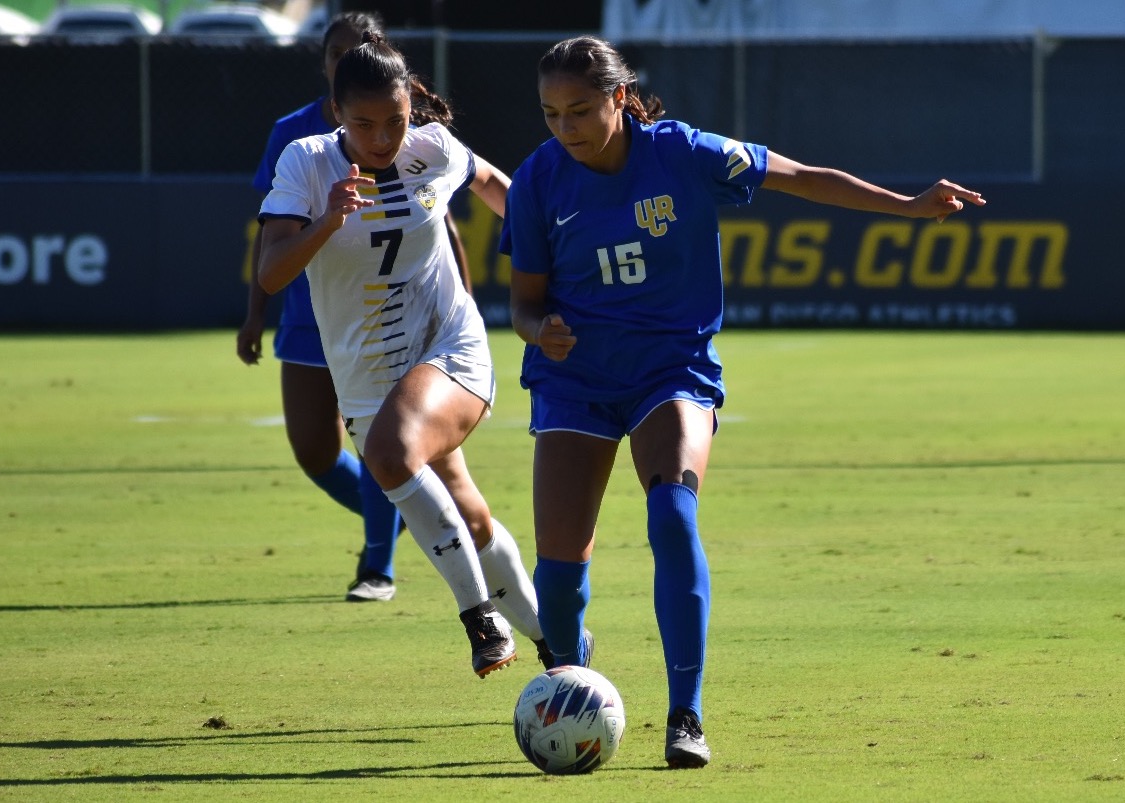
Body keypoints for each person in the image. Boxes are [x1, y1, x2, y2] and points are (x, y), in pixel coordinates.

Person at [501, 35, 986, 767]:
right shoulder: (537, 180)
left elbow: (803, 175)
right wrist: (546, 330)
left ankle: (684, 714)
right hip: (575, 381)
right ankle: (567, 679)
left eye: (579, 110)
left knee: (670, 510)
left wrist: (908, 207)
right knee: (560, 577)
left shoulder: (682, 151)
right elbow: (523, 306)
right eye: (549, 114)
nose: (564, 128)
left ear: (620, 99)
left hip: (671, 371)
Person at [258, 31, 552, 677]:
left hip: (449, 343)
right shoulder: (304, 161)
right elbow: (271, 272)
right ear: (336, 113)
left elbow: (502, 190)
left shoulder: (435, 148)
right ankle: (558, 646)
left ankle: (480, 619)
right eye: (364, 123)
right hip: (364, 371)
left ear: (410, 108)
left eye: (394, 120)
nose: (383, 137)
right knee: (470, 517)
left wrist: (555, 252)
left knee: (390, 453)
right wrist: (327, 222)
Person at [237, 12, 472, 604]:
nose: (347, 59)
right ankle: (400, 517)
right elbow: (270, 236)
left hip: (394, 317)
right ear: (325, 67)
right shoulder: (294, 140)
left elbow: (443, 218)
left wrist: (461, 302)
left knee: (382, 440)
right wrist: (254, 315)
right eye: (337, 52)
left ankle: (378, 565)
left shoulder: (408, 133)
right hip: (309, 314)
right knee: (315, 451)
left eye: (359, 50)